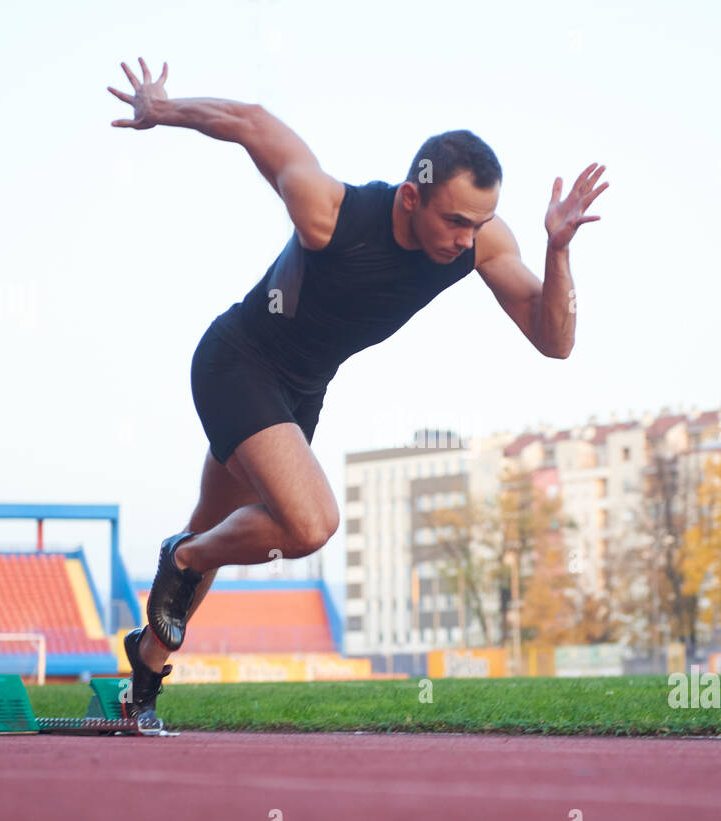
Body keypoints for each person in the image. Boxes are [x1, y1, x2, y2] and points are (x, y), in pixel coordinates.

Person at [107, 58, 607, 728]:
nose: (466, 240)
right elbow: (254, 124)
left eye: (478, 223)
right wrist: (161, 110)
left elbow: (556, 340)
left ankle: (142, 676)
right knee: (308, 524)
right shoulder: (332, 212)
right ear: (411, 198)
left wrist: (558, 252)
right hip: (239, 361)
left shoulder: (480, 243)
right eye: (455, 220)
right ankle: (184, 555)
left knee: (218, 527)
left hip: (300, 394)